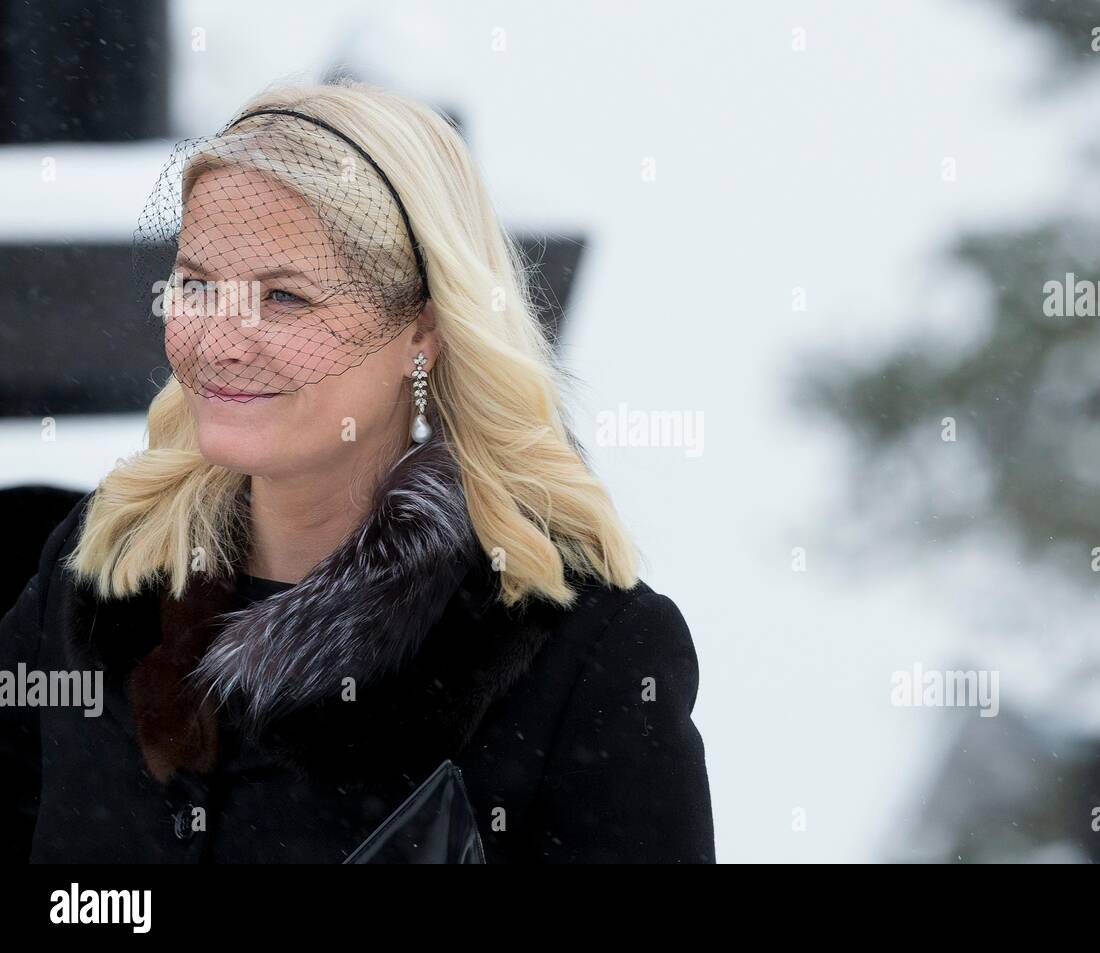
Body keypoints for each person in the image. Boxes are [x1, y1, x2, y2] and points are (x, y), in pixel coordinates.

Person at [0, 79, 715, 864]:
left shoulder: (583, 653)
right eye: (198, 282)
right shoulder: (93, 575)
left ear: (424, 329)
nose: (221, 339)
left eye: (284, 298)